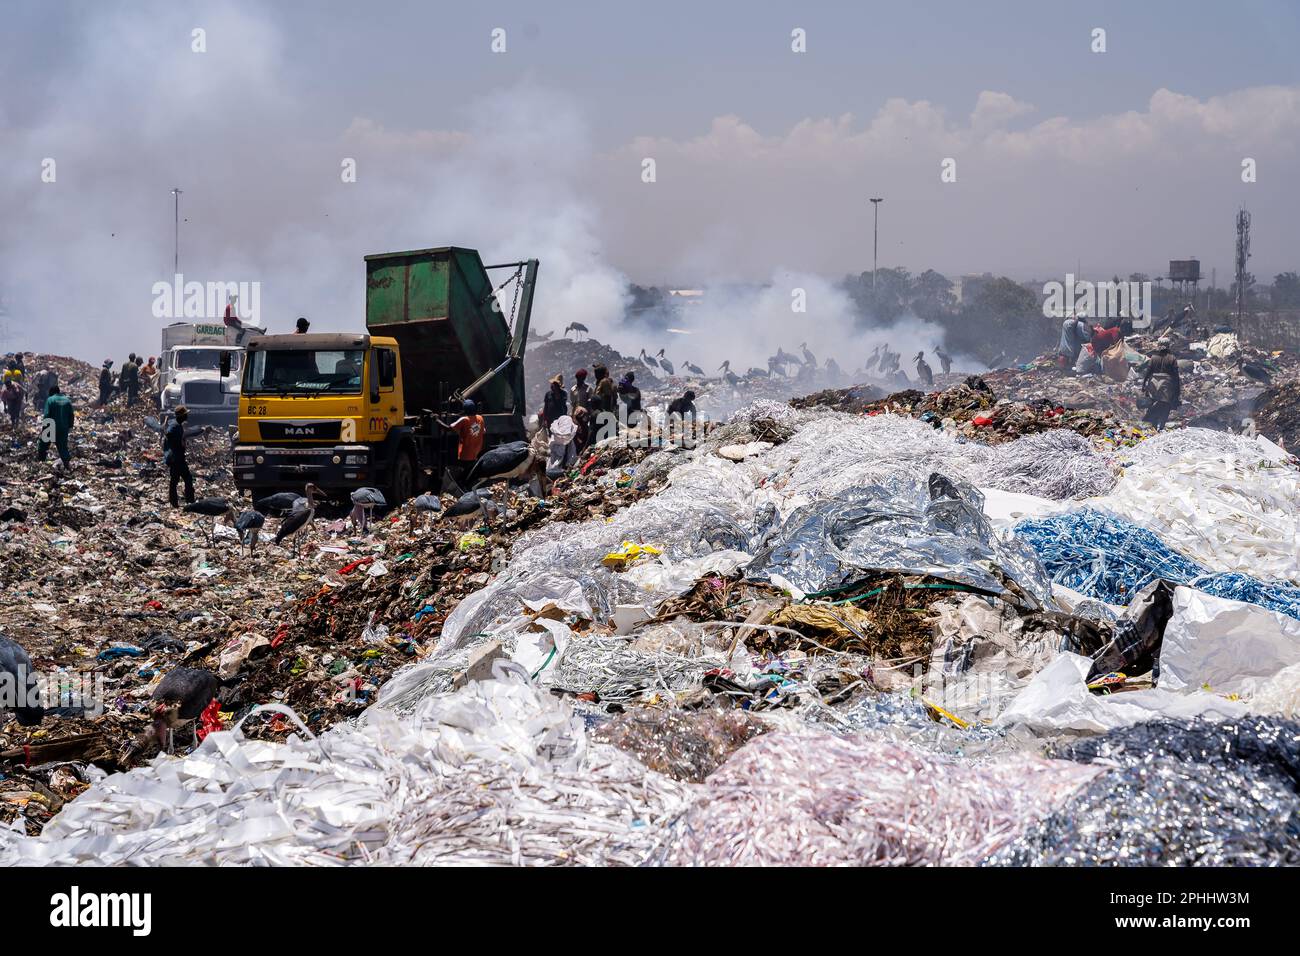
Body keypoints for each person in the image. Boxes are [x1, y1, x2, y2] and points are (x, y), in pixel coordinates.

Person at [1142, 338, 1182, 431]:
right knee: (1166, 405)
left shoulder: (1153, 357)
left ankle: (1154, 426)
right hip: (1167, 384)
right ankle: (1162, 426)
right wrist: (1177, 389)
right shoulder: (1172, 358)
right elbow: (1175, 375)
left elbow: (1148, 372)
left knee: (1152, 403)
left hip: (1153, 383)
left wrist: (1144, 384)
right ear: (1168, 345)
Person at [436, 399, 485, 474]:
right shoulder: (480, 418)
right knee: (471, 472)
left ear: (464, 410)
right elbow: (483, 431)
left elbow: (449, 428)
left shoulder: (464, 419)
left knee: (464, 472)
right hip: (476, 452)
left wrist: (437, 420)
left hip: (466, 454)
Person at [164, 406, 196, 506]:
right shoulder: (176, 427)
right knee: (187, 478)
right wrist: (180, 443)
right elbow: (171, 437)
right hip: (177, 458)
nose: (187, 415)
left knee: (174, 480)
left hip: (175, 457)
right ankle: (190, 502)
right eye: (185, 414)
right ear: (182, 416)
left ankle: (174, 503)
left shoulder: (175, 425)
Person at [37, 386, 74, 467]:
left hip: (51, 426)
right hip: (64, 427)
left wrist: (44, 429)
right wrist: (70, 426)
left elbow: (47, 414)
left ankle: (40, 462)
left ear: (51, 392)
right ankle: (67, 465)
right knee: (63, 447)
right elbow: (71, 415)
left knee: (43, 445)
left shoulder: (50, 400)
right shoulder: (67, 400)